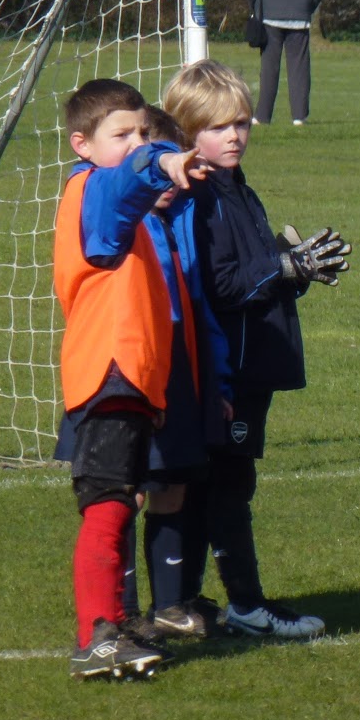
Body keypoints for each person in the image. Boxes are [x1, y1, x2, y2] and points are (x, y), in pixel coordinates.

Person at [164, 60, 349, 640]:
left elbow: (248, 270)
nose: (236, 135)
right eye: (219, 126)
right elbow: (220, 285)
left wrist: (294, 267)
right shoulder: (200, 197)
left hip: (249, 363)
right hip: (229, 369)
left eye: (241, 122)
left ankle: (190, 601)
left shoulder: (236, 187)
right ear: (188, 131)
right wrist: (282, 266)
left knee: (214, 484)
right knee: (227, 486)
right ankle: (244, 604)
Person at [53, 78, 206, 679]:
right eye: (122, 134)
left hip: (131, 377)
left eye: (143, 131)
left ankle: (112, 627)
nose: (136, 141)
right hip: (109, 372)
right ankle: (97, 633)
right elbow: (131, 176)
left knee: (118, 500)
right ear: (82, 144)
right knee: (108, 503)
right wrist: (162, 157)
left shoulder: (126, 208)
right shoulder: (95, 190)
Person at [102, 107, 234, 645]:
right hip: (137, 371)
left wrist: (218, 385)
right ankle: (125, 609)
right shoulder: (123, 229)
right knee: (128, 487)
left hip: (183, 376)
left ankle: (171, 604)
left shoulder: (180, 223)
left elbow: (203, 314)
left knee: (173, 482)